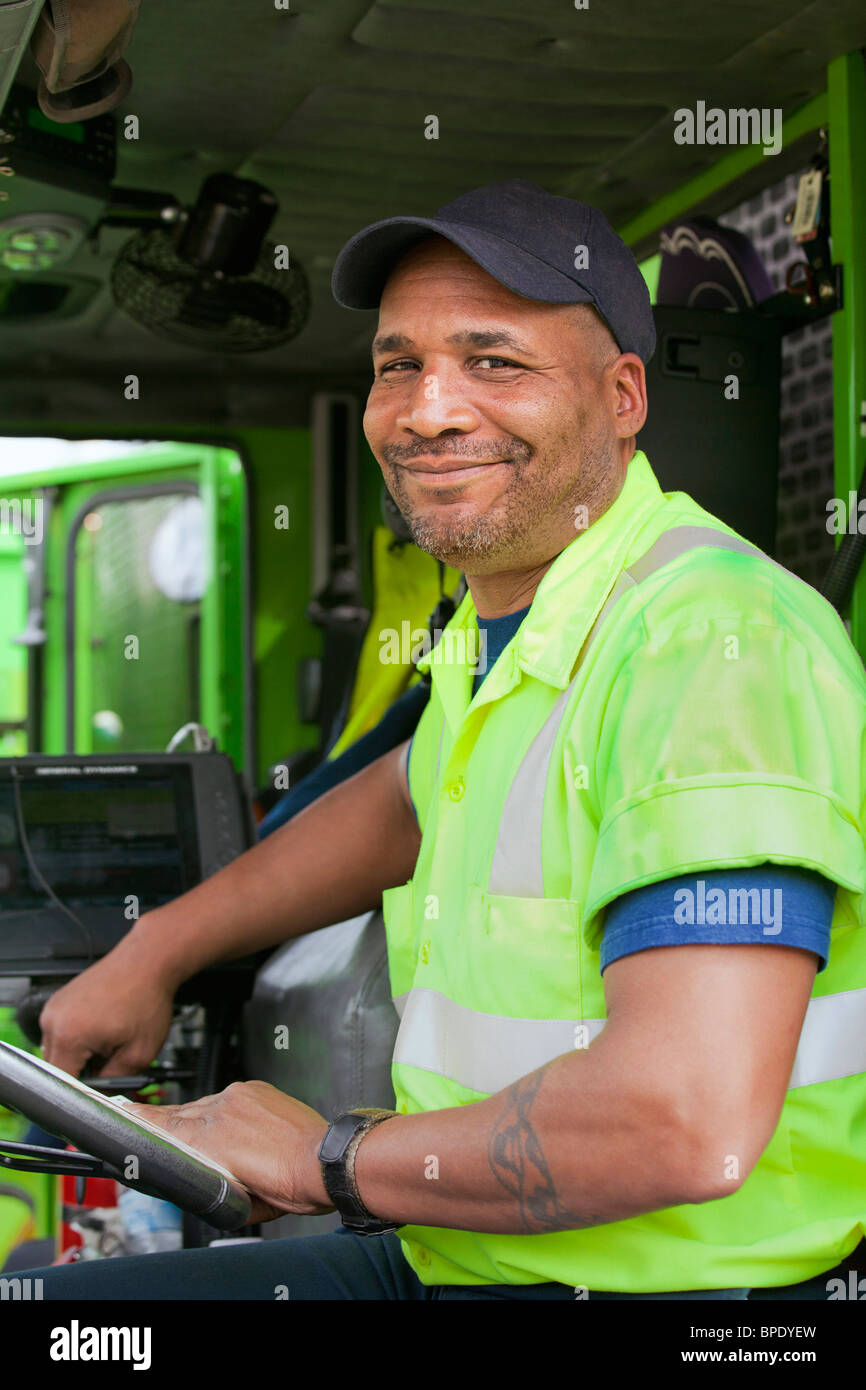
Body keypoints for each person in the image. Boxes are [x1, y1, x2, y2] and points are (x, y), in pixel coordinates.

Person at [27, 179, 866, 1300]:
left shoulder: (712, 643)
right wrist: (155, 951)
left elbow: (684, 1123)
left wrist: (327, 1157)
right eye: (396, 364)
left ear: (623, 397)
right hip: (463, 1254)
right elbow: (405, 801)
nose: (427, 410)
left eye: (493, 362)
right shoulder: (504, 625)